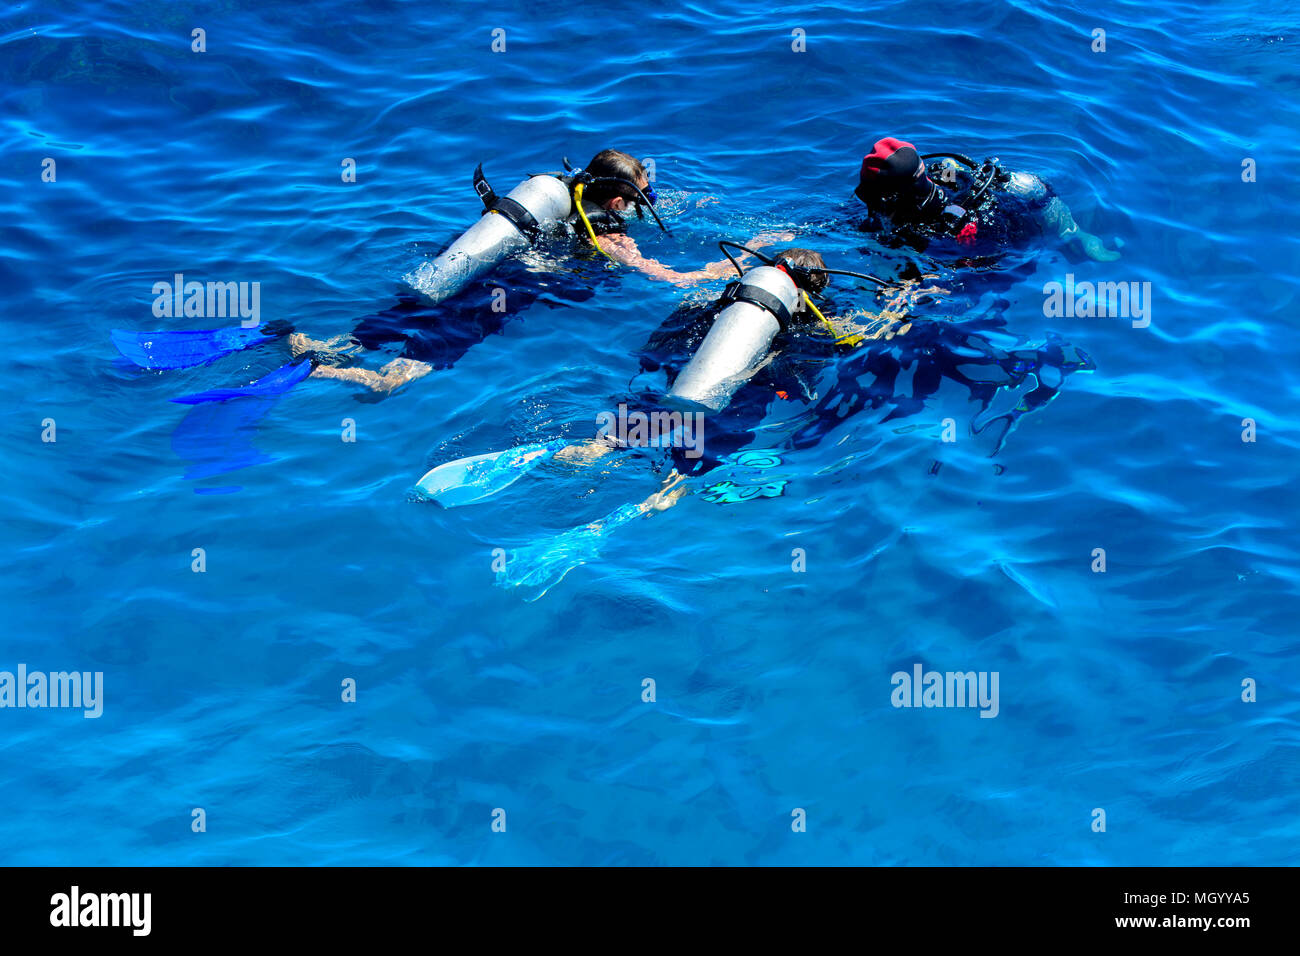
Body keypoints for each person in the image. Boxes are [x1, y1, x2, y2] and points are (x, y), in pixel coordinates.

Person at [291, 148, 783, 393]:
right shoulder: (608, 234)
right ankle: (365, 379)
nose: (646, 204)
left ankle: (330, 344)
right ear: (617, 200)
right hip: (510, 290)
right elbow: (673, 279)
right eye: (644, 196)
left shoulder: (554, 201)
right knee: (442, 347)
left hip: (481, 265)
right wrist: (746, 256)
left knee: (412, 312)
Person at [852, 137, 1120, 262]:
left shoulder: (953, 222)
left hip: (1008, 232)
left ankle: (1078, 235)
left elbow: (991, 261)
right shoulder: (894, 201)